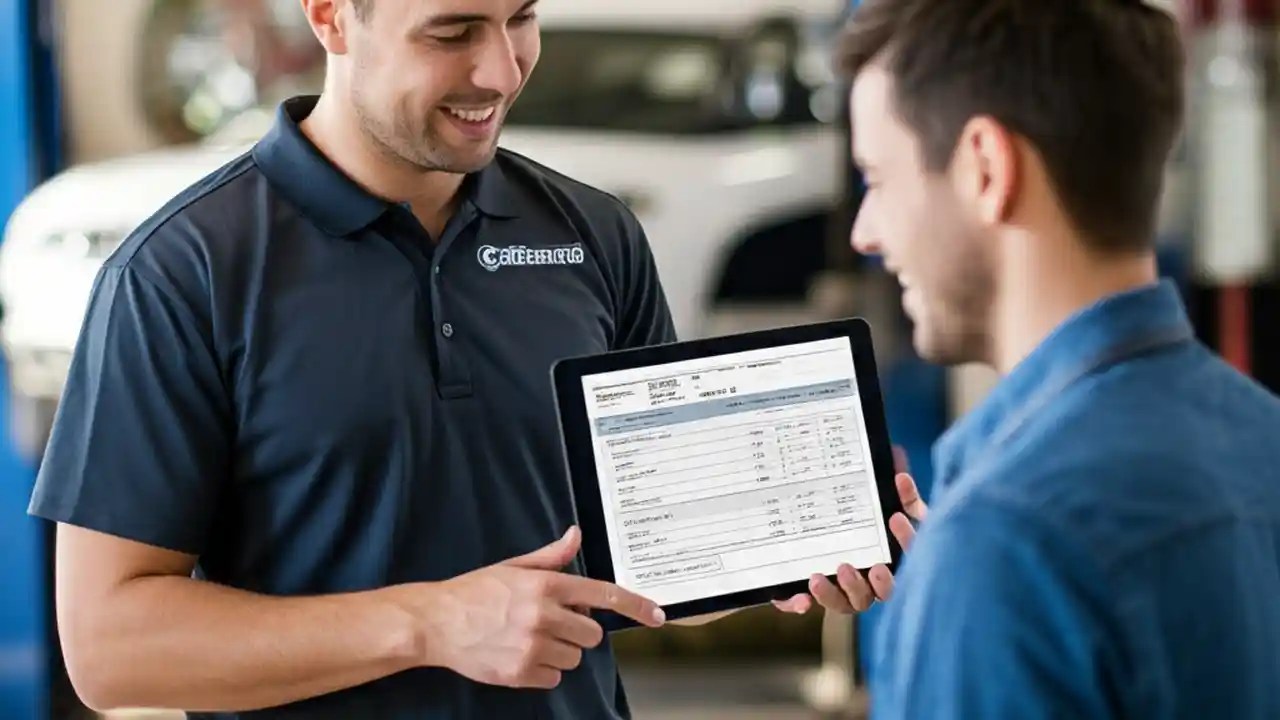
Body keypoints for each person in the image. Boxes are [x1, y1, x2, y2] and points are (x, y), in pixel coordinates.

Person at [27, 1, 685, 718]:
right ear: (330, 18)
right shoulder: (184, 274)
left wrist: (773, 564)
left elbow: (666, 553)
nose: (502, 69)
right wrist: (431, 625)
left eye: (521, 19)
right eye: (453, 32)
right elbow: (109, 650)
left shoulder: (595, 235)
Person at [776, 0, 1280, 718]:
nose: (866, 232)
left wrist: (960, 601)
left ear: (986, 167)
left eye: (879, 181)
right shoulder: (1262, 438)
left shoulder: (1005, 541)